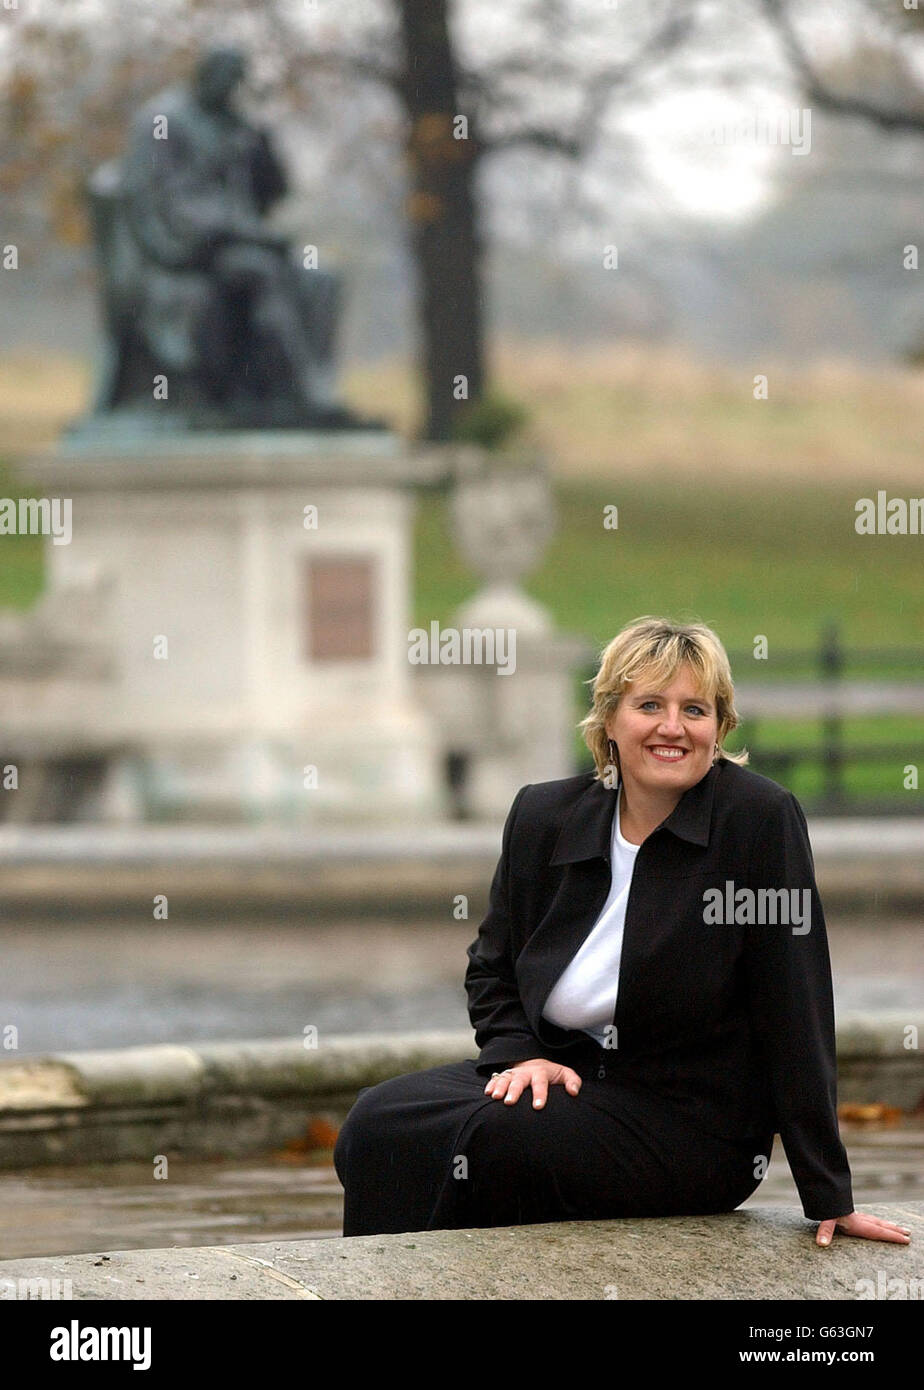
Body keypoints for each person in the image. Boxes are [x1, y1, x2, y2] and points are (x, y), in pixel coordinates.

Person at [333, 616, 911, 1250]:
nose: (672, 727)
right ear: (609, 719)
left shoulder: (757, 821)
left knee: (497, 1141)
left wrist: (828, 1192)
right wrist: (522, 1055)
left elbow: (795, 1005)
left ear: (720, 728)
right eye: (649, 705)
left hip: (690, 1122)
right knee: (376, 1122)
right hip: (567, 1076)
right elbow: (492, 967)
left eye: (695, 708)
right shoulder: (544, 815)